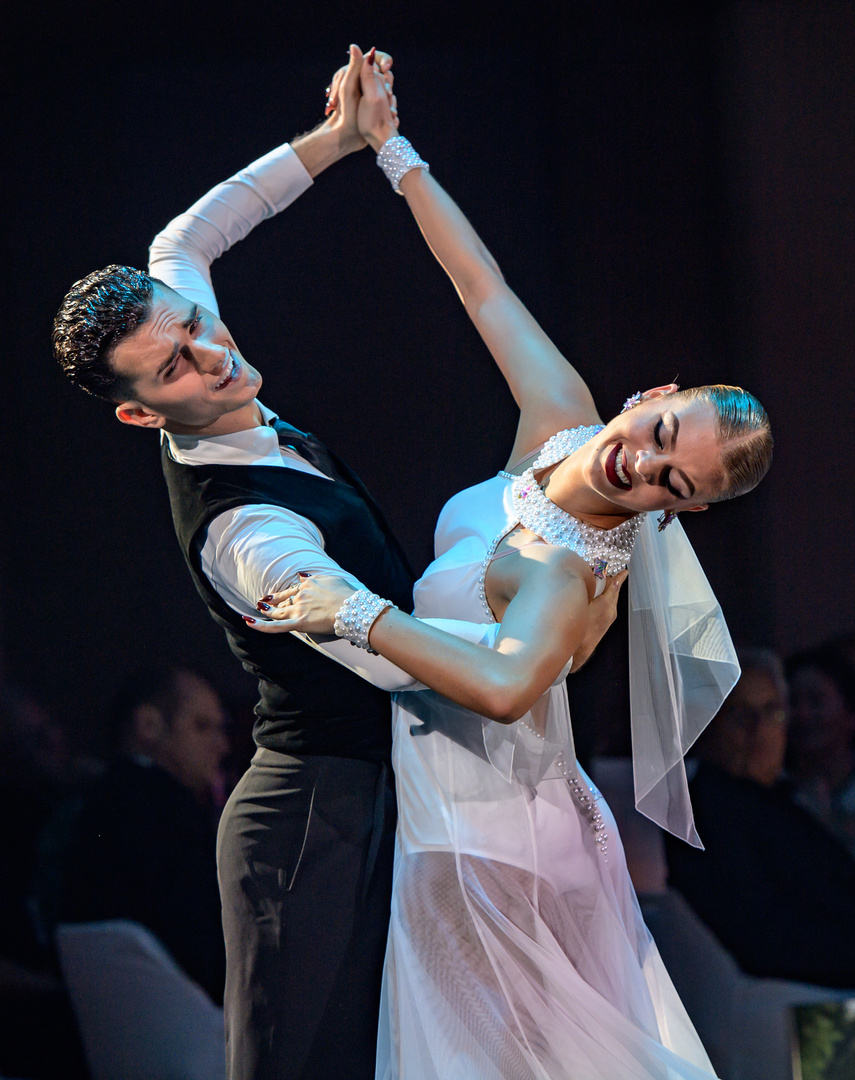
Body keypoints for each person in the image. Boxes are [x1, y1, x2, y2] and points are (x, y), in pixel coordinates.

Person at [50, 45, 619, 1080]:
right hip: (314, 815)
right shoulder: (248, 536)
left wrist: (344, 138)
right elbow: (403, 659)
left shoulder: (191, 320)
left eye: (194, 324)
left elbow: (194, 233)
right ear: (141, 413)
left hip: (394, 782)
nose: (213, 353)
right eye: (177, 364)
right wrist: (541, 637)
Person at [253, 61, 773, 1078]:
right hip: (484, 828)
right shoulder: (563, 422)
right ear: (652, 392)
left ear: (687, 509)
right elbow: (478, 281)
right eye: (661, 431)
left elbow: (503, 682)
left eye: (671, 481)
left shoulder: (566, 572)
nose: (644, 462)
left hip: (491, 847)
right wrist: (388, 147)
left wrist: (348, 612)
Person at [665, 649, 855, 989]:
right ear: (707, 722)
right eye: (740, 714)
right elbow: (762, 936)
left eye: (771, 712)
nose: (759, 729)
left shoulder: (780, 797)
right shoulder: (711, 807)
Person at [56, 662, 229, 1004]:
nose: (221, 746)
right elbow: (203, 950)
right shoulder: (169, 810)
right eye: (202, 727)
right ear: (148, 725)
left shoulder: (96, 801)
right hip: (191, 1022)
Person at [786, 645, 855, 859]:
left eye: (816, 702)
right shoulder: (775, 791)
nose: (802, 715)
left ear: (850, 712)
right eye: (793, 702)